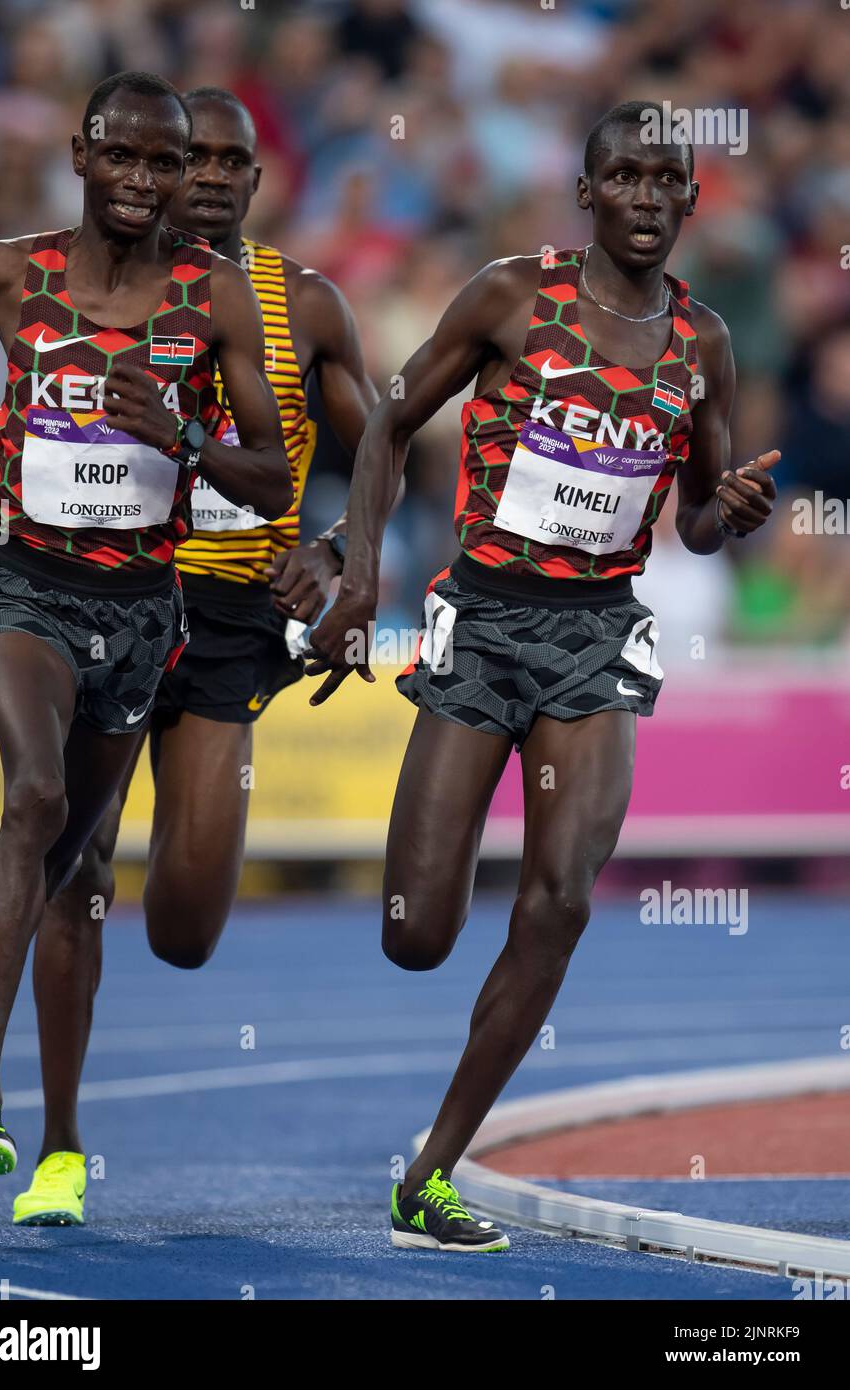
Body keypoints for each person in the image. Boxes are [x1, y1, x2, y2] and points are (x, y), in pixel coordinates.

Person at [307, 101, 779, 1251]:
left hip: (594, 640)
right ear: (587, 191)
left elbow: (700, 522)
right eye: (624, 177)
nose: (648, 199)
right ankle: (440, 894)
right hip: (483, 623)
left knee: (560, 897)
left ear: (689, 201)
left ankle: (431, 1169)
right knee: (416, 932)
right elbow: (386, 422)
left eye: (669, 181)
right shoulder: (511, 296)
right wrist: (360, 579)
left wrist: (731, 510)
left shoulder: (701, 341)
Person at [0, 85, 378, 1226]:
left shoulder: (257, 300)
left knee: (175, 925)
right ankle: (26, 1130)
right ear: (92, 158)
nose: (184, 180)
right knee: (54, 833)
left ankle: (3, 890)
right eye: (155, 160)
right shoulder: (16, 271)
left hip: (189, 616)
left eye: (207, 161)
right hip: (49, 585)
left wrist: (334, 553)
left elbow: (322, 454)